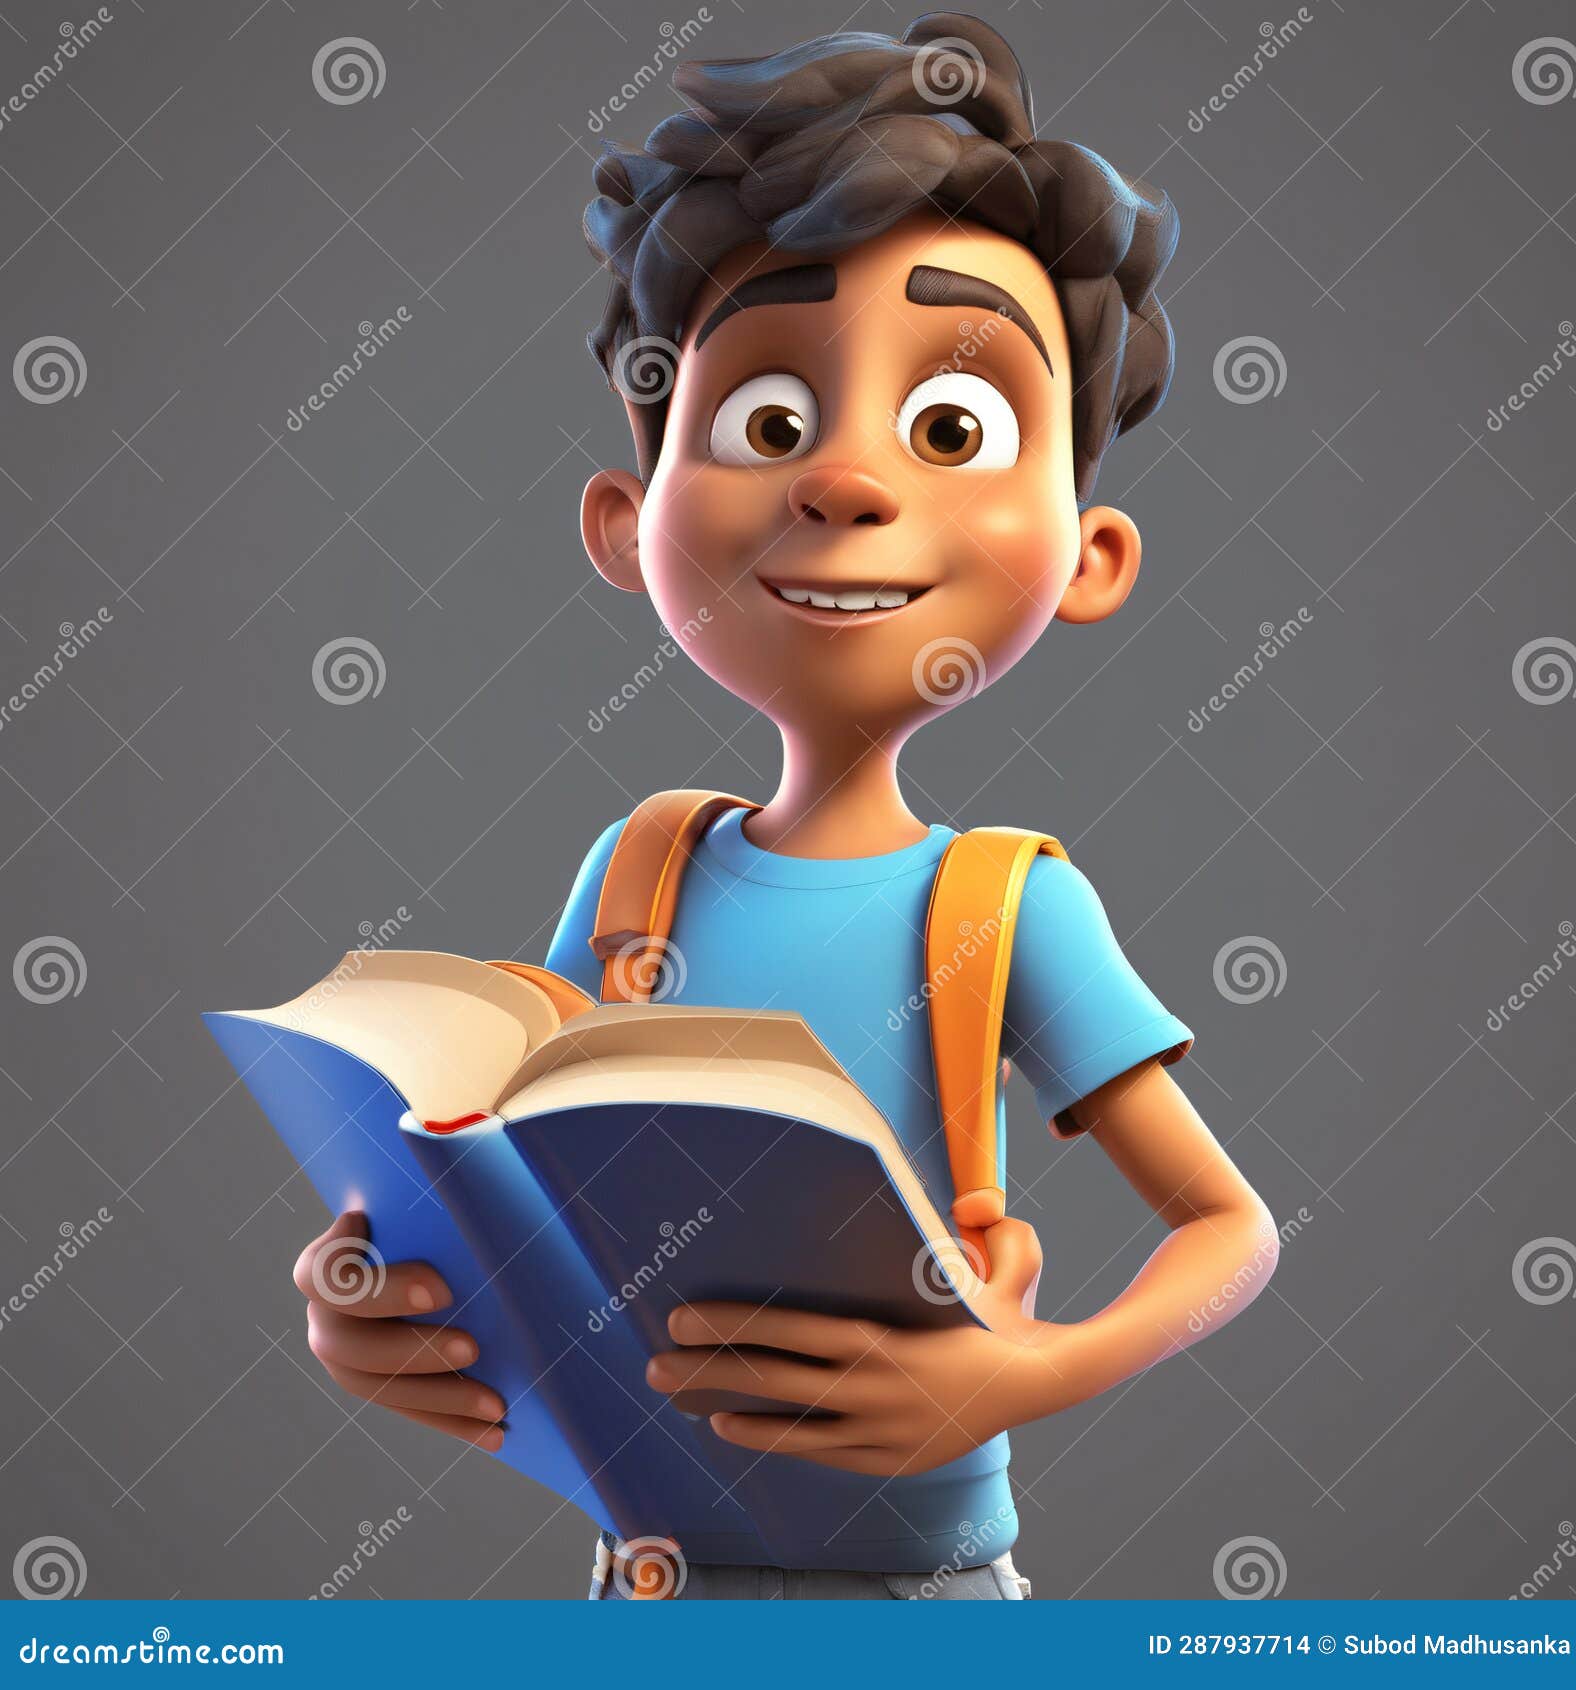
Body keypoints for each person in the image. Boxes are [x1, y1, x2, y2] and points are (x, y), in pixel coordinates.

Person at [296, 12, 1277, 1600]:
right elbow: (496, 1170)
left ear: (1088, 551)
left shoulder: (1004, 905)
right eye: (768, 420)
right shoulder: (637, 881)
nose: (847, 485)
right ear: (629, 520)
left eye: (955, 428)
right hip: (651, 1583)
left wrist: (1023, 1374)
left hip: (926, 1595)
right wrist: (367, 1285)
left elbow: (1228, 1227)